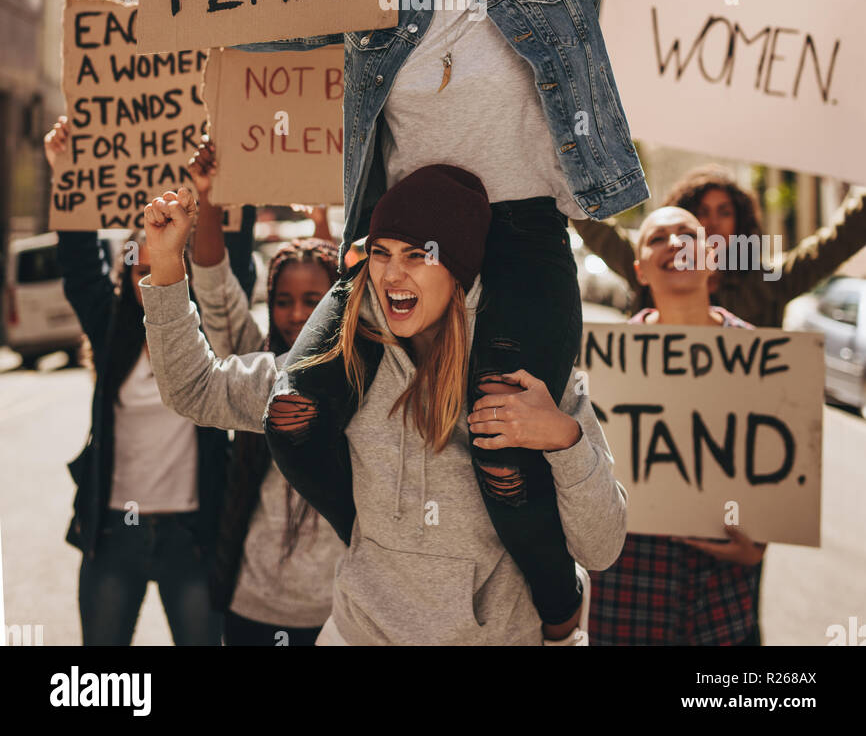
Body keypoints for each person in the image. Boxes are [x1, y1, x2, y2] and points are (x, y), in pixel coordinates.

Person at [122, 0, 848, 636]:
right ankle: (380, 546)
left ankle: (553, 601)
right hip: (394, 252)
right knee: (297, 413)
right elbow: (257, 25)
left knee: (501, 445)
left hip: (519, 243)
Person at [138, 166, 627, 647]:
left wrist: (566, 438)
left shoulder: (528, 382)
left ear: (458, 267)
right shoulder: (339, 365)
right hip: (358, 634)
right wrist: (165, 266)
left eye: (417, 255)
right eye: (381, 253)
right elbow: (193, 389)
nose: (393, 273)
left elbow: (601, 548)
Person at [43, 118, 252, 646]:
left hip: (192, 538)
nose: (149, 271)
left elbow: (233, 269)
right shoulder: (111, 331)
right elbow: (78, 267)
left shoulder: (199, 329)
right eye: (139, 262)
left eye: (162, 257)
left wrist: (221, 192)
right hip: (115, 535)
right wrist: (66, 175)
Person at [185, 140, 345, 646]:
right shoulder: (257, 370)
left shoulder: (360, 381)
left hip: (340, 616)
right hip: (252, 608)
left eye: (311, 301)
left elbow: (342, 284)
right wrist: (206, 198)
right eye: (282, 301)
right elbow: (213, 285)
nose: (297, 314)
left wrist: (322, 219)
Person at [587, 204, 765, 647]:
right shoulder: (606, 360)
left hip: (720, 601)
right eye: (657, 238)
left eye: (687, 234)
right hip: (626, 594)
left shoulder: (761, 356)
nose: (674, 245)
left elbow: (773, 473)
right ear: (640, 270)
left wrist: (757, 545)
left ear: (712, 256)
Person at [574, 163, 866, 327]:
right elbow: (594, 227)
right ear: (642, 272)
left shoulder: (770, 281)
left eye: (724, 212)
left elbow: (838, 243)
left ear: (741, 223)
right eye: (702, 211)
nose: (712, 222)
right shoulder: (657, 263)